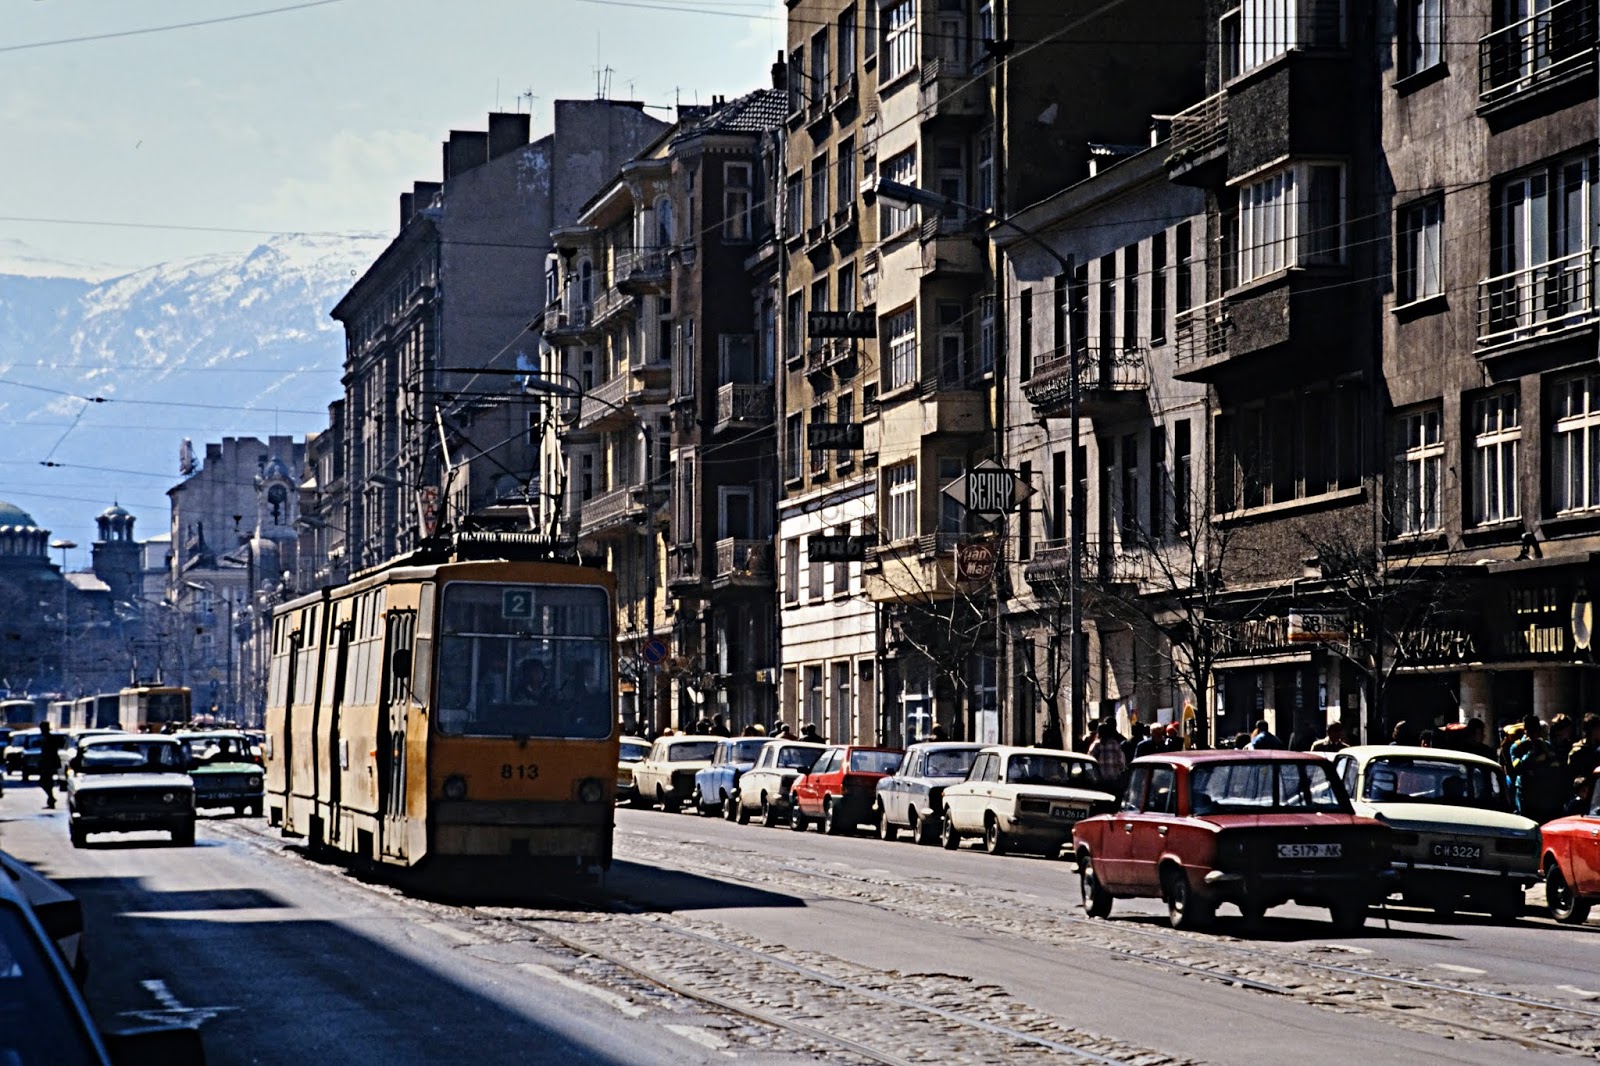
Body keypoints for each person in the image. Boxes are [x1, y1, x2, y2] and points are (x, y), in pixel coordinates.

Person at [1510, 716, 1566, 823]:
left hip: (1543, 791)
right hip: (1526, 791)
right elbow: (1517, 768)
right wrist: (1530, 756)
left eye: (1536, 732)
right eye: (1531, 732)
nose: (1534, 735)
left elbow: (1555, 766)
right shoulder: (1518, 747)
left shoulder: (1546, 746)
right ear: (1525, 731)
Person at [1569, 714, 1600, 800]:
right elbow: (1573, 776)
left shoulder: (1598, 748)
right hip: (1583, 794)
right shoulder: (1578, 751)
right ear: (1593, 730)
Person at [1088, 721, 1127, 789]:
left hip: (1099, 781)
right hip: (1114, 780)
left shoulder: (1096, 745)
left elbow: (1089, 763)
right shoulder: (1115, 745)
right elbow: (1122, 763)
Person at [37, 721, 65, 809]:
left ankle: (51, 799)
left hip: (49, 764)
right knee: (46, 782)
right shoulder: (46, 738)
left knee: (45, 782)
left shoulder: (50, 738)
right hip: (47, 763)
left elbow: (51, 753)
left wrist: (46, 763)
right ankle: (51, 799)